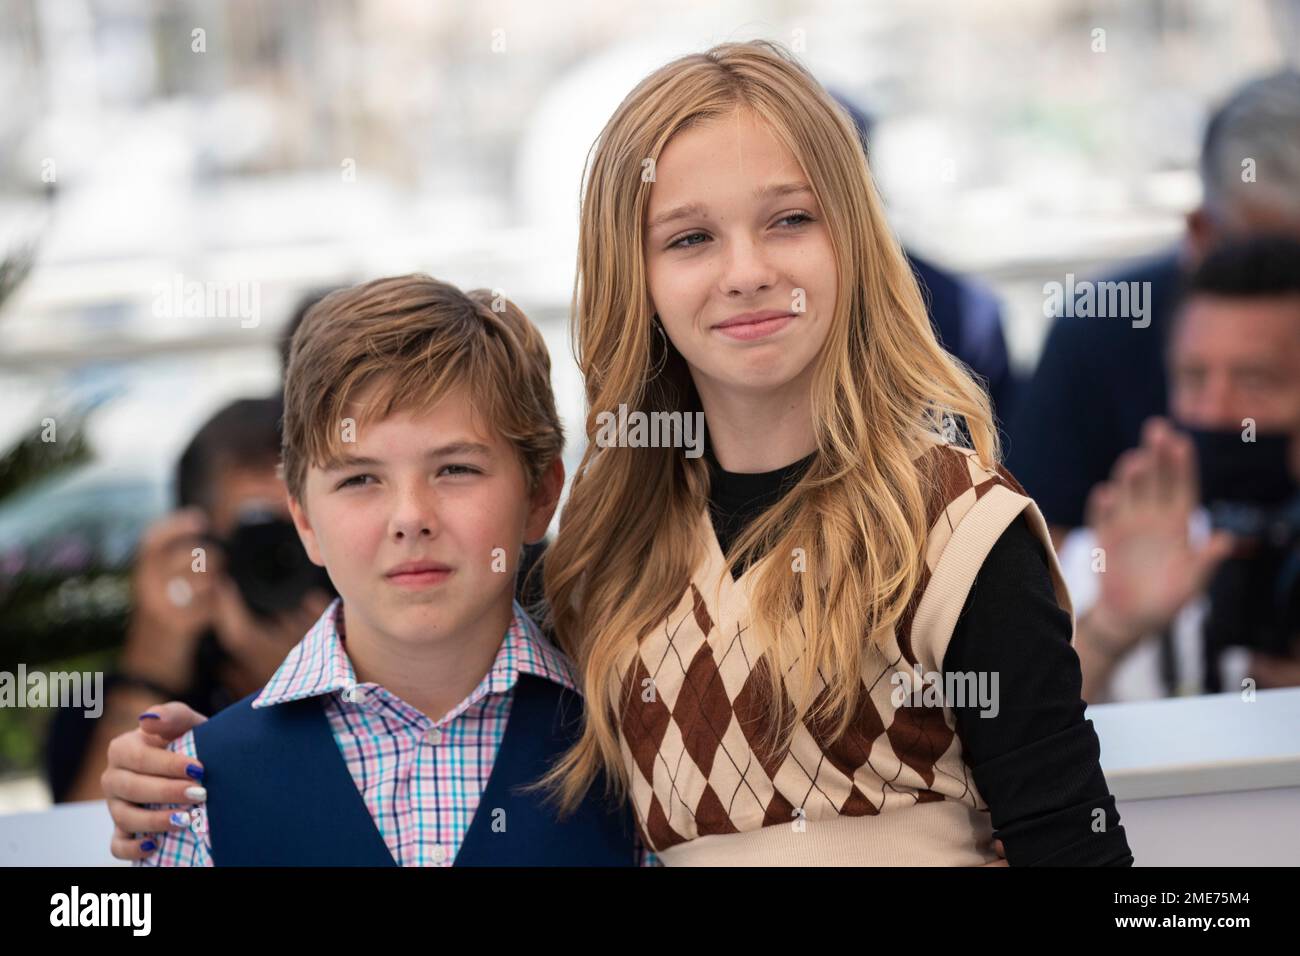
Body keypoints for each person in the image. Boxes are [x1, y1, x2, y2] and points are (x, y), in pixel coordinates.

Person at [531, 41, 1129, 865]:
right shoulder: (602, 555)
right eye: (690, 238)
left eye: (790, 219)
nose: (746, 271)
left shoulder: (958, 528)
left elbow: (1077, 851)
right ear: (631, 275)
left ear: (853, 236)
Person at [106, 275, 642, 865]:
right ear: (305, 522)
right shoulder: (199, 789)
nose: (410, 518)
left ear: (540, 496)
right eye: (359, 479)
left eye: (456, 469)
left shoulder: (642, 750)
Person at [1008, 70, 1300, 551]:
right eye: (1269, 265)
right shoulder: (1103, 327)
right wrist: (1114, 617)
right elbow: (1029, 557)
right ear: (1202, 234)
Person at [46, 397, 332, 802]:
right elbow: (85, 849)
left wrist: (304, 689)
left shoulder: (389, 668)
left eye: (302, 531)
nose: (284, 559)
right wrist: (152, 661)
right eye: (256, 535)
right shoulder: (100, 705)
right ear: (196, 545)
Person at [1064, 236, 1300, 702]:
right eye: (1193, 378)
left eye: (1256, 381)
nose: (1215, 411)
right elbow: (1015, 747)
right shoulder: (1114, 549)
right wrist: (1109, 629)